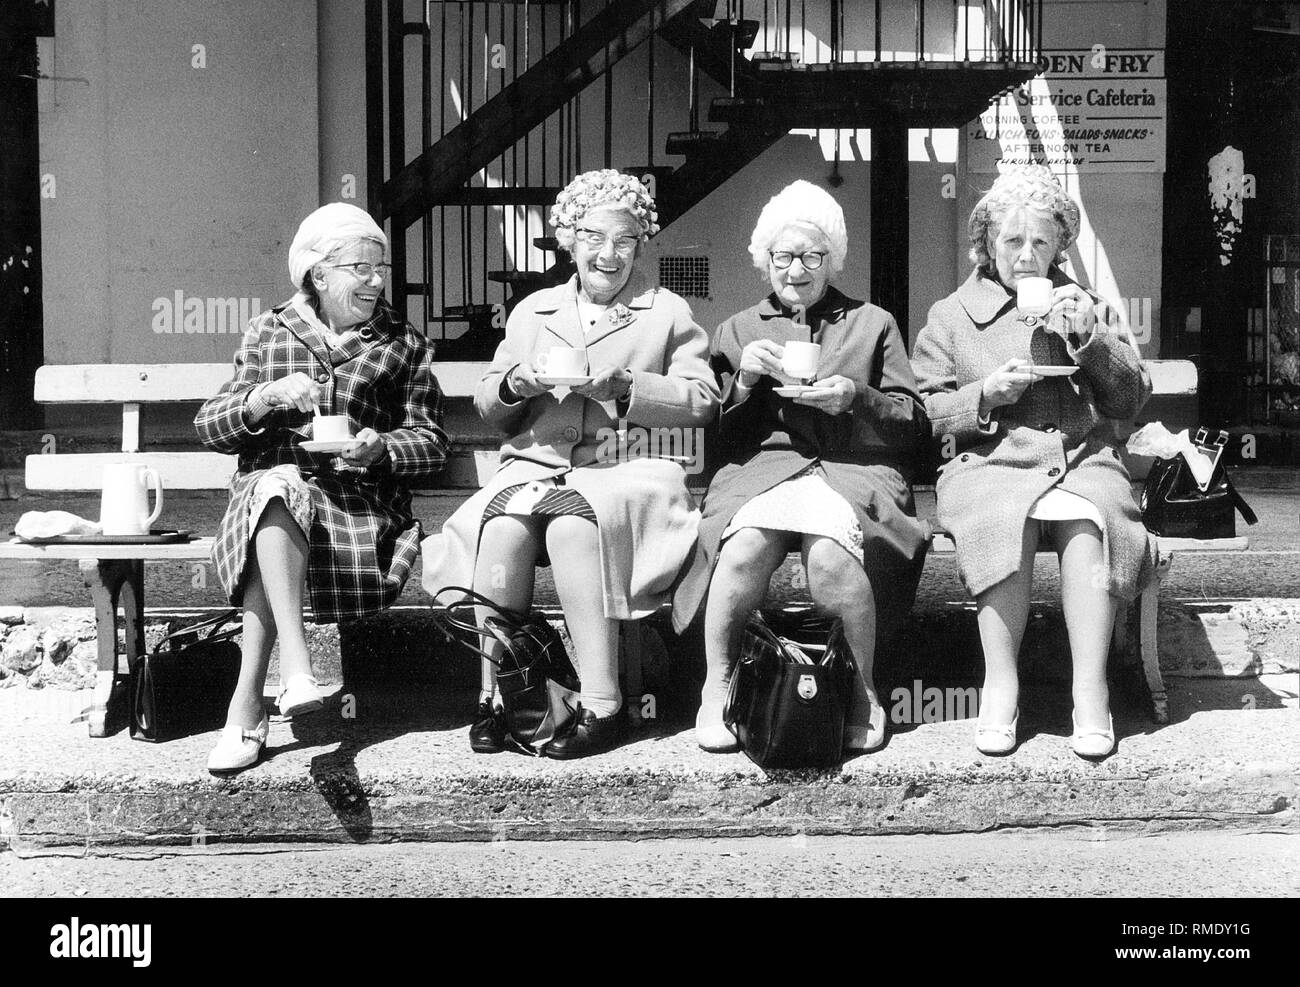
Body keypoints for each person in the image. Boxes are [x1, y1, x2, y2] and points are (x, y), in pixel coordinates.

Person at [422, 169, 720, 759]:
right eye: (593, 237)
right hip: (536, 465)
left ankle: (602, 701)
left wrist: (629, 386)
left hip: (627, 464)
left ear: (641, 243)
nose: (608, 254)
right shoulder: (534, 310)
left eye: (626, 240)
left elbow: (703, 401)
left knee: (572, 520)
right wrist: (515, 384)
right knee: (502, 527)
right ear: (568, 238)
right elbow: (490, 403)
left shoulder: (664, 311)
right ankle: (499, 698)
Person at [673, 180, 929, 755]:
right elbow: (719, 438)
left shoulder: (873, 323)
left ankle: (864, 691)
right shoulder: (737, 329)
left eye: (811, 256)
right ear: (765, 262)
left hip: (852, 468)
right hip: (764, 468)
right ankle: (717, 687)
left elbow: (915, 424)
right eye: (783, 257)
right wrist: (742, 381)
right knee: (742, 547)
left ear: (830, 260)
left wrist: (856, 398)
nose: (796, 270)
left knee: (830, 554)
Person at [910, 165, 1155, 760]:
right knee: (1002, 517)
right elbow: (922, 415)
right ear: (986, 245)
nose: (1026, 255)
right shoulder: (951, 314)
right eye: (1012, 241)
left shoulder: (1088, 306)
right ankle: (1001, 685)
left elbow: (1130, 399)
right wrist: (984, 397)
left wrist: (1091, 340)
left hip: (1081, 457)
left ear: (1060, 246)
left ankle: (1090, 690)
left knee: (1089, 522)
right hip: (989, 461)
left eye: (1041, 242)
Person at [195, 203, 449, 774]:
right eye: (361, 267)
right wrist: (262, 400)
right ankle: (297, 670)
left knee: (275, 514)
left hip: (353, 505)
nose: (376, 280)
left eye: (379, 267)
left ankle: (251, 705)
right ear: (319, 273)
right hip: (273, 496)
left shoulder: (402, 342)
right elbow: (209, 427)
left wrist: (382, 446)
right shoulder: (270, 330)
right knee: (277, 490)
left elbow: (432, 442)